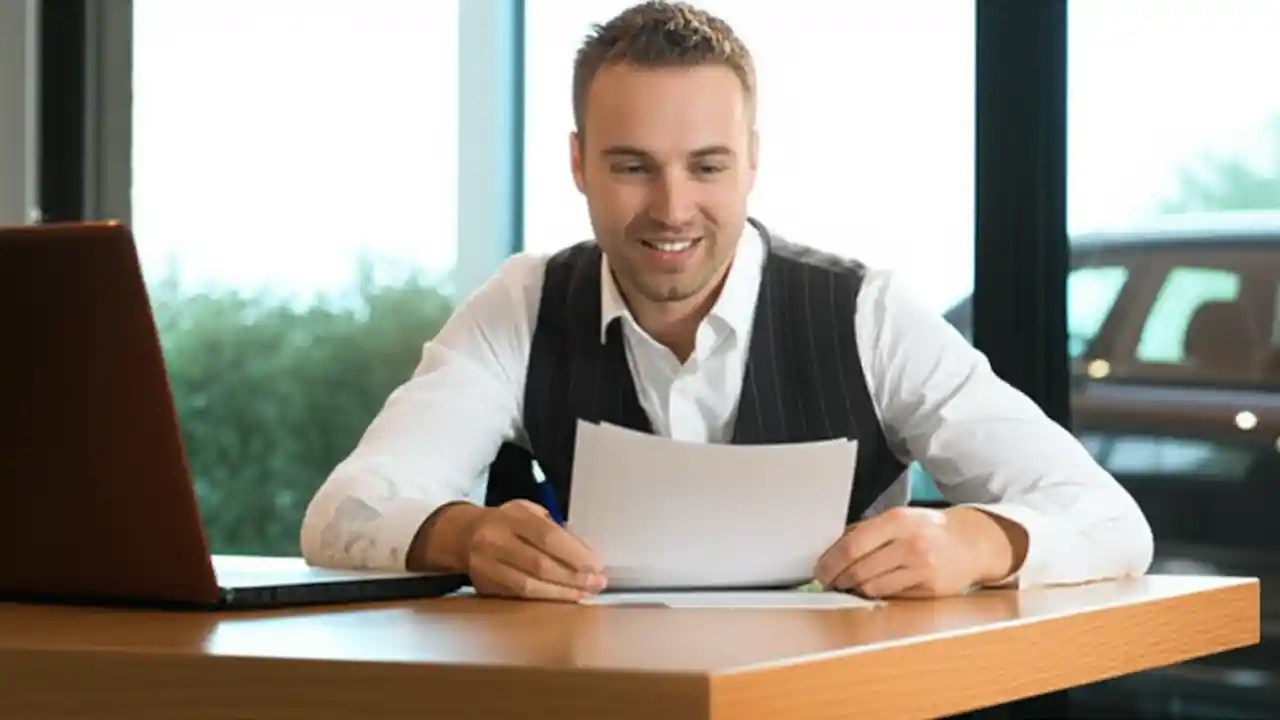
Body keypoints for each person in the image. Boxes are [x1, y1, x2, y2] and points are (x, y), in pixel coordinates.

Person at [300, 0, 1152, 602]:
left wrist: (981, 541)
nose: (672, 208)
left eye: (706, 167)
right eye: (632, 166)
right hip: (603, 704)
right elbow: (346, 509)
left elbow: (1110, 519)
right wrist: (460, 534)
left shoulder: (866, 314)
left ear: (750, 161)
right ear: (577, 164)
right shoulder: (523, 304)